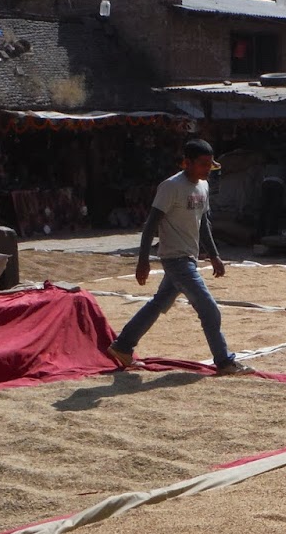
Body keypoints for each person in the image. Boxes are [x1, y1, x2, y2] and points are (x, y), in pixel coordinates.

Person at [106, 138, 252, 376]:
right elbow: (151, 224)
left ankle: (122, 346)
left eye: (209, 164)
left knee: (158, 304)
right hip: (176, 259)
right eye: (202, 164)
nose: (207, 169)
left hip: (189, 257)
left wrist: (214, 255)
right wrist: (143, 260)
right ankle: (224, 361)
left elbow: (203, 223)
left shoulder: (203, 186)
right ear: (187, 163)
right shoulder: (170, 187)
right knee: (209, 310)